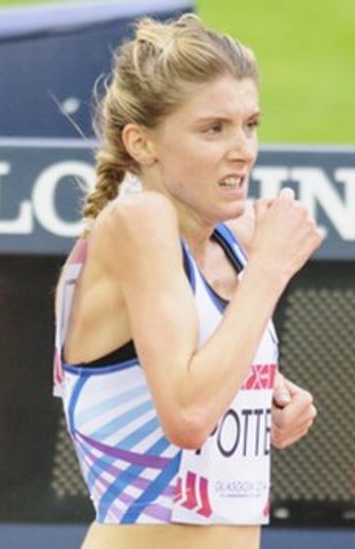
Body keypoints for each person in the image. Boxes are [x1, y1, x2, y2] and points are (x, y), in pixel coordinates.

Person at [52, 13, 321, 549]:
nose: (243, 148)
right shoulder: (138, 222)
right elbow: (189, 417)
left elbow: (193, 386)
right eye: (213, 129)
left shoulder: (228, 245)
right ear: (143, 143)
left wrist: (270, 394)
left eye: (250, 124)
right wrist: (269, 271)